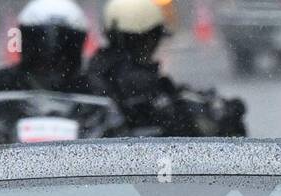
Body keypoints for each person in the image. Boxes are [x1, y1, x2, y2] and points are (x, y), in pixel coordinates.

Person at [86, 0, 246, 135]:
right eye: (152, 39)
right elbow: (176, 118)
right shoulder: (139, 82)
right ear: (146, 38)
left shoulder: (93, 71)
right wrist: (219, 114)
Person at [0, 0, 96, 95]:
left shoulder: (92, 89)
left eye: (62, 47)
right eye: (41, 46)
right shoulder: (0, 84)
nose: (51, 57)